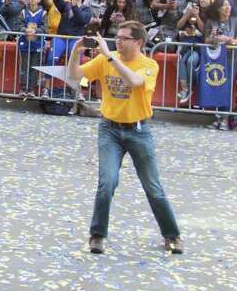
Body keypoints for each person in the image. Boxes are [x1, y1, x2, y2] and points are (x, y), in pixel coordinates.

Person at [67, 20, 183, 256]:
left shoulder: (149, 64)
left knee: (153, 186)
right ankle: (97, 235)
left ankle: (172, 235)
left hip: (139, 130)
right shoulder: (104, 60)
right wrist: (75, 54)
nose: (117, 41)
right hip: (109, 128)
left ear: (138, 42)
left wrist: (110, 57)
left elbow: (135, 81)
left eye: (123, 38)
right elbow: (75, 76)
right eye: (117, 37)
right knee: (106, 182)